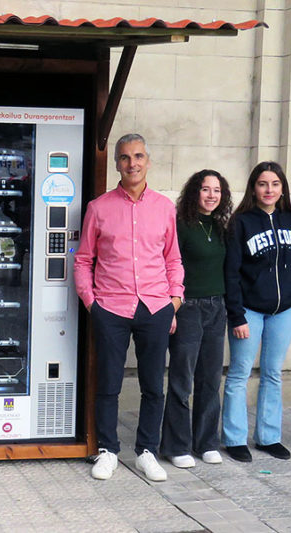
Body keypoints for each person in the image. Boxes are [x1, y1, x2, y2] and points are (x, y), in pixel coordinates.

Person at [75, 134, 184, 482]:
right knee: (108, 384)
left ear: (147, 161)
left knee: (153, 385)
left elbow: (173, 259)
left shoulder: (165, 207)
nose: (132, 163)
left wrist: (174, 301)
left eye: (138, 156)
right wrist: (93, 305)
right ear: (117, 163)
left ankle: (147, 451)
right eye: (124, 158)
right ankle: (108, 449)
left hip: (155, 307)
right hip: (112, 308)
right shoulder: (99, 208)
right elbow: (83, 260)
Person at [222, 161, 291, 463]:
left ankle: (269, 437)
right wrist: (236, 315)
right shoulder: (241, 222)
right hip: (249, 310)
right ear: (253, 188)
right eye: (262, 184)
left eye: (274, 184)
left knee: (273, 373)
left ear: (282, 187)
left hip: (284, 311)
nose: (268, 190)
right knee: (239, 373)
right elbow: (230, 273)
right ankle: (234, 439)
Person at [160, 169, 232, 469]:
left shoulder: (220, 225)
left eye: (217, 190)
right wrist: (170, 309)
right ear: (194, 192)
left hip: (217, 308)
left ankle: (206, 442)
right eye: (205, 189)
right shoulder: (180, 225)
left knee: (211, 378)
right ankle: (176, 446)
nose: (211, 195)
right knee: (182, 378)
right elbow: (167, 265)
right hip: (188, 307)